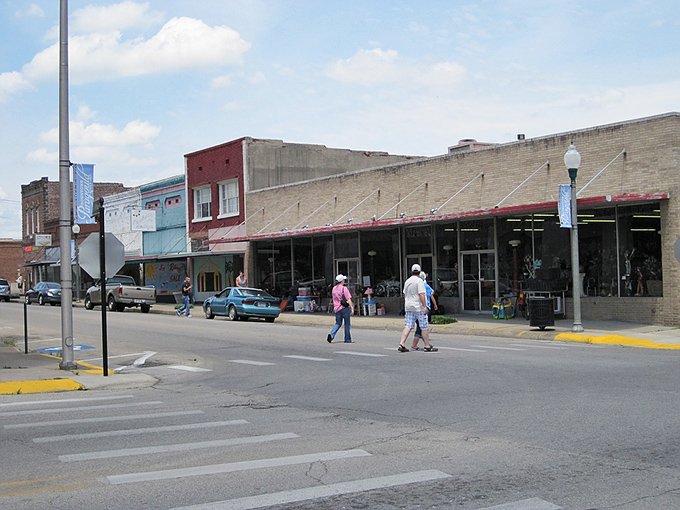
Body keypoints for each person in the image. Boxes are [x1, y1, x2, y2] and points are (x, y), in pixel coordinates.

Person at [398, 264, 437, 352]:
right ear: (419, 272)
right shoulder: (419, 281)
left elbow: (405, 294)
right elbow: (421, 294)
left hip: (409, 307)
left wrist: (407, 302)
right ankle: (427, 346)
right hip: (418, 307)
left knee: (408, 326)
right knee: (424, 326)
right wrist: (424, 306)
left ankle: (402, 344)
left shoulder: (407, 281)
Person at [411, 271, 438, 351]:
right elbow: (431, 294)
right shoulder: (425, 286)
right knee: (421, 327)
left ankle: (427, 344)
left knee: (422, 326)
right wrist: (435, 304)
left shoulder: (415, 286)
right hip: (425, 308)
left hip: (415, 308)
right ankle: (414, 344)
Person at [327, 274, 354, 343]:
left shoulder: (334, 289)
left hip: (337, 308)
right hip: (344, 308)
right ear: (342, 281)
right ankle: (347, 339)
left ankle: (331, 334)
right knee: (347, 324)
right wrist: (352, 308)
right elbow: (348, 299)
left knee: (338, 323)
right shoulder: (344, 288)